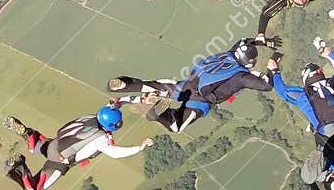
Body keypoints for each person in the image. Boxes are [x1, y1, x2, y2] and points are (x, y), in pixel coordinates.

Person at [109, 37, 278, 133]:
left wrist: (259, 41)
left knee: (153, 86)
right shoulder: (242, 76)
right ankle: (157, 114)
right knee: (177, 125)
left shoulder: (230, 53)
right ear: (249, 62)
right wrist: (273, 67)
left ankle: (125, 84)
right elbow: (267, 86)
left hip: (187, 85)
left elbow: (243, 40)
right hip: (201, 100)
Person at [2, 104, 152, 190]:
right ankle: (20, 166)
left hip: (55, 144)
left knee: (39, 147)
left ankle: (28, 134)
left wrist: (117, 103)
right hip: (61, 161)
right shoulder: (102, 140)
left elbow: (108, 111)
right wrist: (139, 148)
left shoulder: (91, 117)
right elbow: (116, 153)